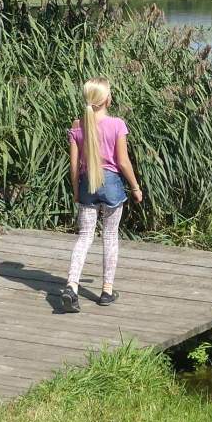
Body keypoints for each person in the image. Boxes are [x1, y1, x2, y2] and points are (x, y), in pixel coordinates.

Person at [61, 78, 144, 313]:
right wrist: (136, 187)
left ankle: (71, 285)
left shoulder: (78, 125)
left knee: (84, 237)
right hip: (111, 186)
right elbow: (123, 162)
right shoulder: (116, 124)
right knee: (109, 236)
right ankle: (107, 291)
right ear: (107, 99)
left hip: (87, 185)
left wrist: (77, 190)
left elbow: (74, 166)